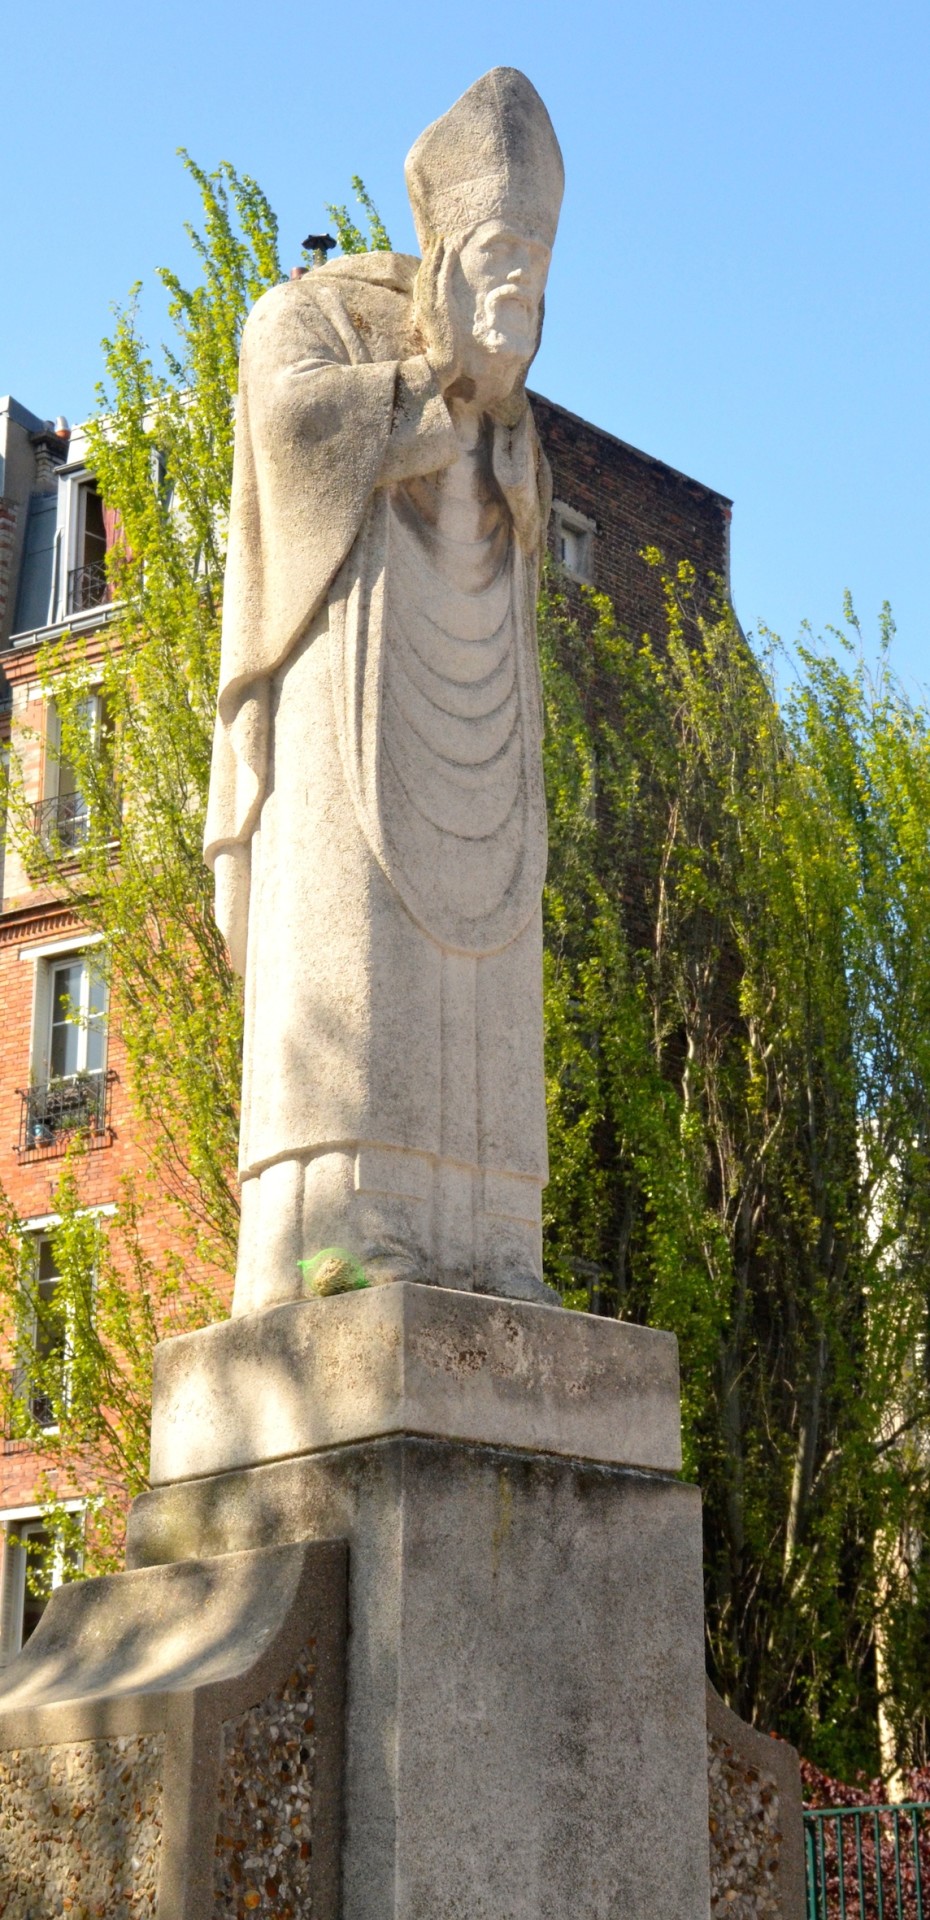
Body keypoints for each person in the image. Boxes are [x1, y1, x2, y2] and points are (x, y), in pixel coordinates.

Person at [205, 68, 564, 1313]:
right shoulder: (312, 317)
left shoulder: (512, 417)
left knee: (489, 982)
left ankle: (490, 1238)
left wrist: (495, 421)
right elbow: (292, 425)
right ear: (446, 248)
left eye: (541, 255)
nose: (524, 278)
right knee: (360, 969)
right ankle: (342, 1235)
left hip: (476, 717)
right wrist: (429, 390)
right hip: (343, 715)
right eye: (501, 249)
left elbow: (522, 506)